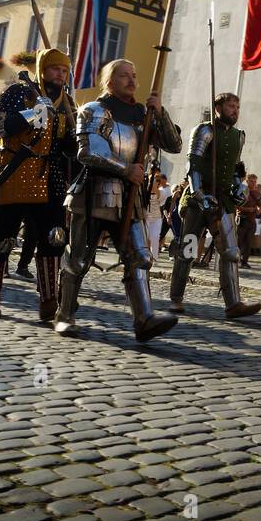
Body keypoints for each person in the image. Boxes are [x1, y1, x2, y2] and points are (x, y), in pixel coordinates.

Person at [55, 58, 182, 338]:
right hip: (95, 193)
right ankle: (65, 314)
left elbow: (174, 145)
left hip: (130, 197)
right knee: (78, 260)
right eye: (125, 75)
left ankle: (144, 319)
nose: (132, 80)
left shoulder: (143, 114)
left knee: (140, 257)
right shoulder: (94, 110)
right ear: (110, 81)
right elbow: (87, 152)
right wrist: (126, 169)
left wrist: (160, 114)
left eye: (135, 75)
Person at [0, 48, 76, 321]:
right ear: (43, 70)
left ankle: (48, 301)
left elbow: (68, 149)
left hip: (49, 175)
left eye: (65, 70)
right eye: (56, 69)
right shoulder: (18, 92)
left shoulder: (67, 102)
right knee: (3, 239)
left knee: (53, 239)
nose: (61, 74)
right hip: (15, 170)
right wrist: (34, 113)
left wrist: (76, 134)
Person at [169, 94, 261, 318]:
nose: (235, 110)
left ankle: (233, 304)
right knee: (189, 251)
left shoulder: (239, 136)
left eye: (238, 106)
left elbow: (236, 168)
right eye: (231, 106)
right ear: (217, 107)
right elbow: (193, 165)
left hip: (224, 202)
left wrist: (240, 187)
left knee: (230, 252)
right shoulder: (205, 130)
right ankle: (176, 299)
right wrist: (199, 194)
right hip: (198, 201)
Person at [237, 173, 261, 268]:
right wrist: (247, 210)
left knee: (248, 243)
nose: (253, 183)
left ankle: (244, 261)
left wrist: (258, 210)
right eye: (251, 181)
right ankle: (235, 260)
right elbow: (236, 206)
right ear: (247, 181)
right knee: (239, 241)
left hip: (252, 221)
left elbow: (260, 206)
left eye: (255, 182)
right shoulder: (242, 191)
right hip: (242, 219)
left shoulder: (257, 194)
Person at [144, 166, 171, 259]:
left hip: (156, 218)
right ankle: (146, 256)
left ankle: (153, 256)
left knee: (154, 238)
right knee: (146, 237)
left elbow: (157, 192)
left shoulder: (161, 192)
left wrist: (154, 181)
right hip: (145, 216)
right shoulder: (144, 189)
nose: (157, 182)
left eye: (158, 181)